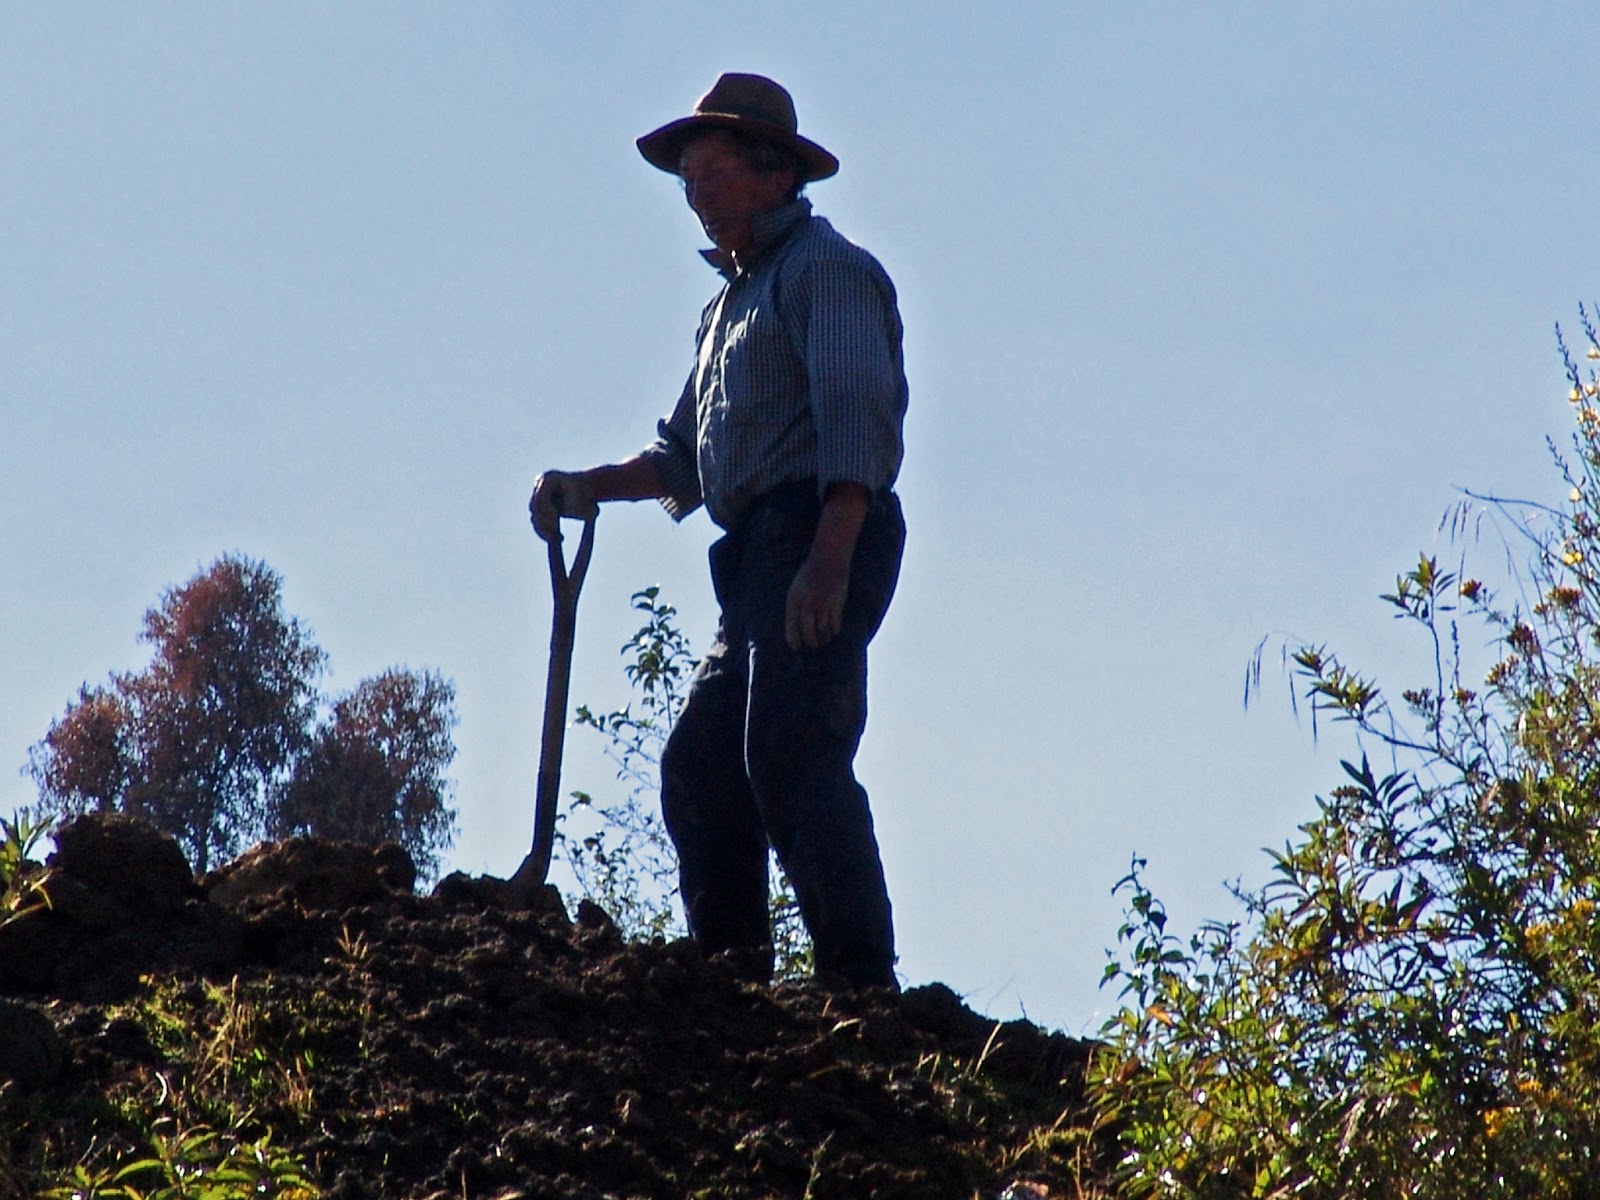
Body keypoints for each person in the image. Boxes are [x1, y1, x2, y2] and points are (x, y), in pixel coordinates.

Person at [529, 73, 908, 990]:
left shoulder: (824, 269)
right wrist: (587, 487)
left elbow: (856, 416)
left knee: (789, 749)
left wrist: (829, 554)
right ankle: (731, 987)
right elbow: (683, 457)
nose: (697, 197)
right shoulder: (728, 309)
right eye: (688, 181)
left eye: (714, 174)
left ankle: (862, 984)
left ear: (776, 174)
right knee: (701, 767)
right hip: (753, 559)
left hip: (820, 528)